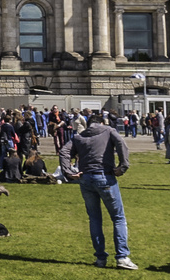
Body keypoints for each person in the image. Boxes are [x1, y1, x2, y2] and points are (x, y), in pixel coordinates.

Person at [58, 112, 137, 269]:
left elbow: (64, 151)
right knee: (118, 218)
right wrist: (123, 166)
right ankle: (122, 256)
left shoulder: (79, 137)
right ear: (102, 122)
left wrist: (68, 172)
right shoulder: (108, 131)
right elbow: (122, 144)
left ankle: (100, 258)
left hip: (85, 178)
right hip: (105, 177)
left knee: (95, 219)